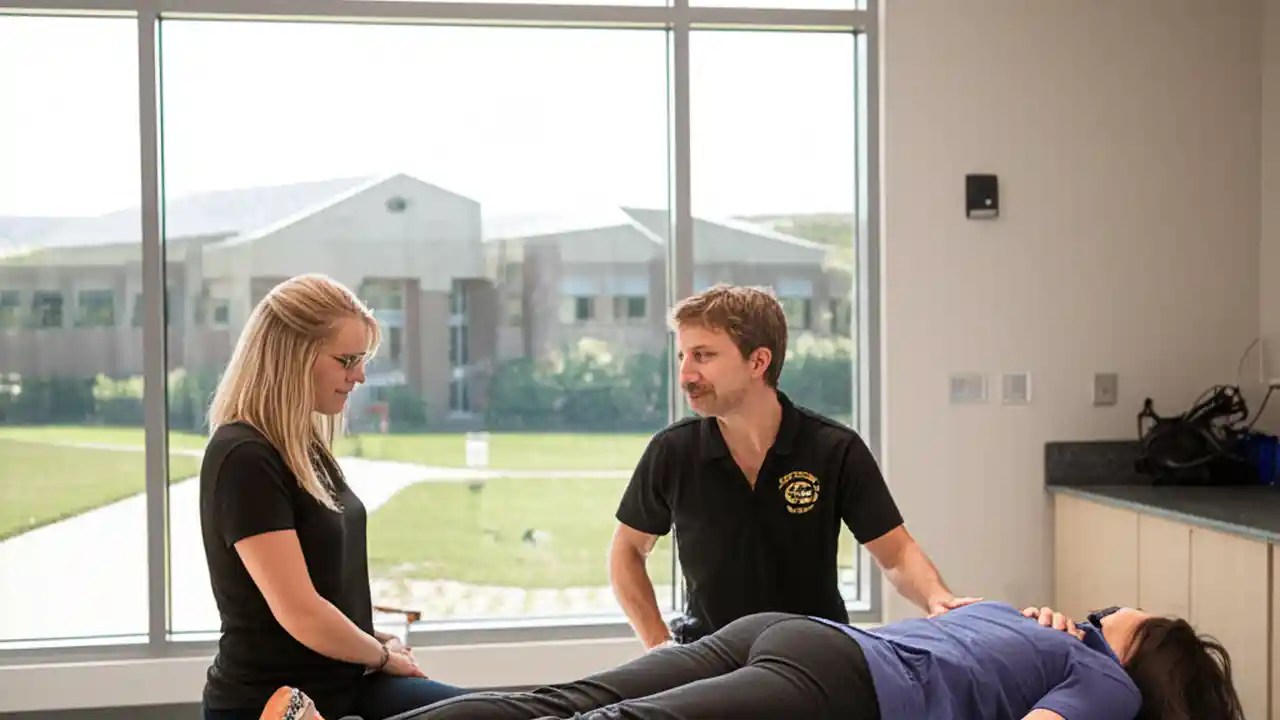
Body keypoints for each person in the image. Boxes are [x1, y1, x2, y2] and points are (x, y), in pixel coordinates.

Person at [609, 284, 977, 650]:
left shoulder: (834, 448)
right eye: (683, 356)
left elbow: (895, 553)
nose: (686, 374)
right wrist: (658, 644)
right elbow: (627, 550)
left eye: (703, 356)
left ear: (758, 362)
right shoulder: (672, 451)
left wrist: (937, 598)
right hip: (710, 660)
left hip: (813, 658)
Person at [200, 274, 467, 720]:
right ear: (291, 356)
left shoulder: (302, 448)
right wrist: (381, 656)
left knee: (512, 711)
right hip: (276, 703)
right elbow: (300, 612)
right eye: (347, 360)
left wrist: (371, 640)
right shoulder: (244, 457)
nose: (359, 376)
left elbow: (325, 594)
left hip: (345, 686)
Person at [259, 601, 1243, 720]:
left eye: (1125, 612)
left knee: (558, 702)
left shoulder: (1086, 665)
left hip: (791, 635)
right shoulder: (1082, 661)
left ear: (1144, 650)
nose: (1107, 605)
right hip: (836, 679)